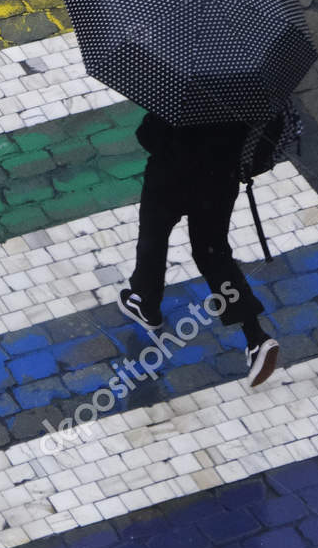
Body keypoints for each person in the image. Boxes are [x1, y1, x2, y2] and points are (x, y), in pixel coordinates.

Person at [116, 111, 280, 386]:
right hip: (218, 182)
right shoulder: (248, 94)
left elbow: (148, 134)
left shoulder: (181, 92)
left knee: (153, 239)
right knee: (213, 255)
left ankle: (146, 302)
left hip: (169, 179)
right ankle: (255, 337)